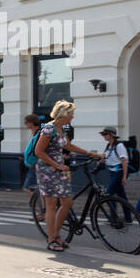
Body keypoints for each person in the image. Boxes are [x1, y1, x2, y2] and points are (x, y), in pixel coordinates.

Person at [34, 100, 103, 251]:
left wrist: (90, 153)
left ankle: (57, 235)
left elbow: (69, 146)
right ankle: (52, 240)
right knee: (51, 204)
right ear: (64, 114)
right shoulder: (48, 129)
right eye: (71, 114)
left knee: (67, 202)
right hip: (47, 170)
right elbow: (38, 152)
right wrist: (57, 165)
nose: (73, 117)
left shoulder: (61, 129)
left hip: (60, 169)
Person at [99, 127, 130, 202]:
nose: (104, 136)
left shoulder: (119, 146)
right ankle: (127, 213)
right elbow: (105, 157)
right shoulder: (108, 146)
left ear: (111, 135)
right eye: (103, 134)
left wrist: (124, 177)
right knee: (121, 196)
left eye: (105, 134)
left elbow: (124, 161)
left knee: (109, 194)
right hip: (112, 172)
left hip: (118, 173)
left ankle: (112, 213)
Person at [21, 114, 42, 195]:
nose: (25, 124)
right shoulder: (34, 134)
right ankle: (41, 202)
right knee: (37, 187)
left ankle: (41, 202)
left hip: (35, 165)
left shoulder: (39, 134)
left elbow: (38, 149)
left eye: (26, 122)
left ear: (31, 123)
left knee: (27, 188)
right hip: (33, 164)